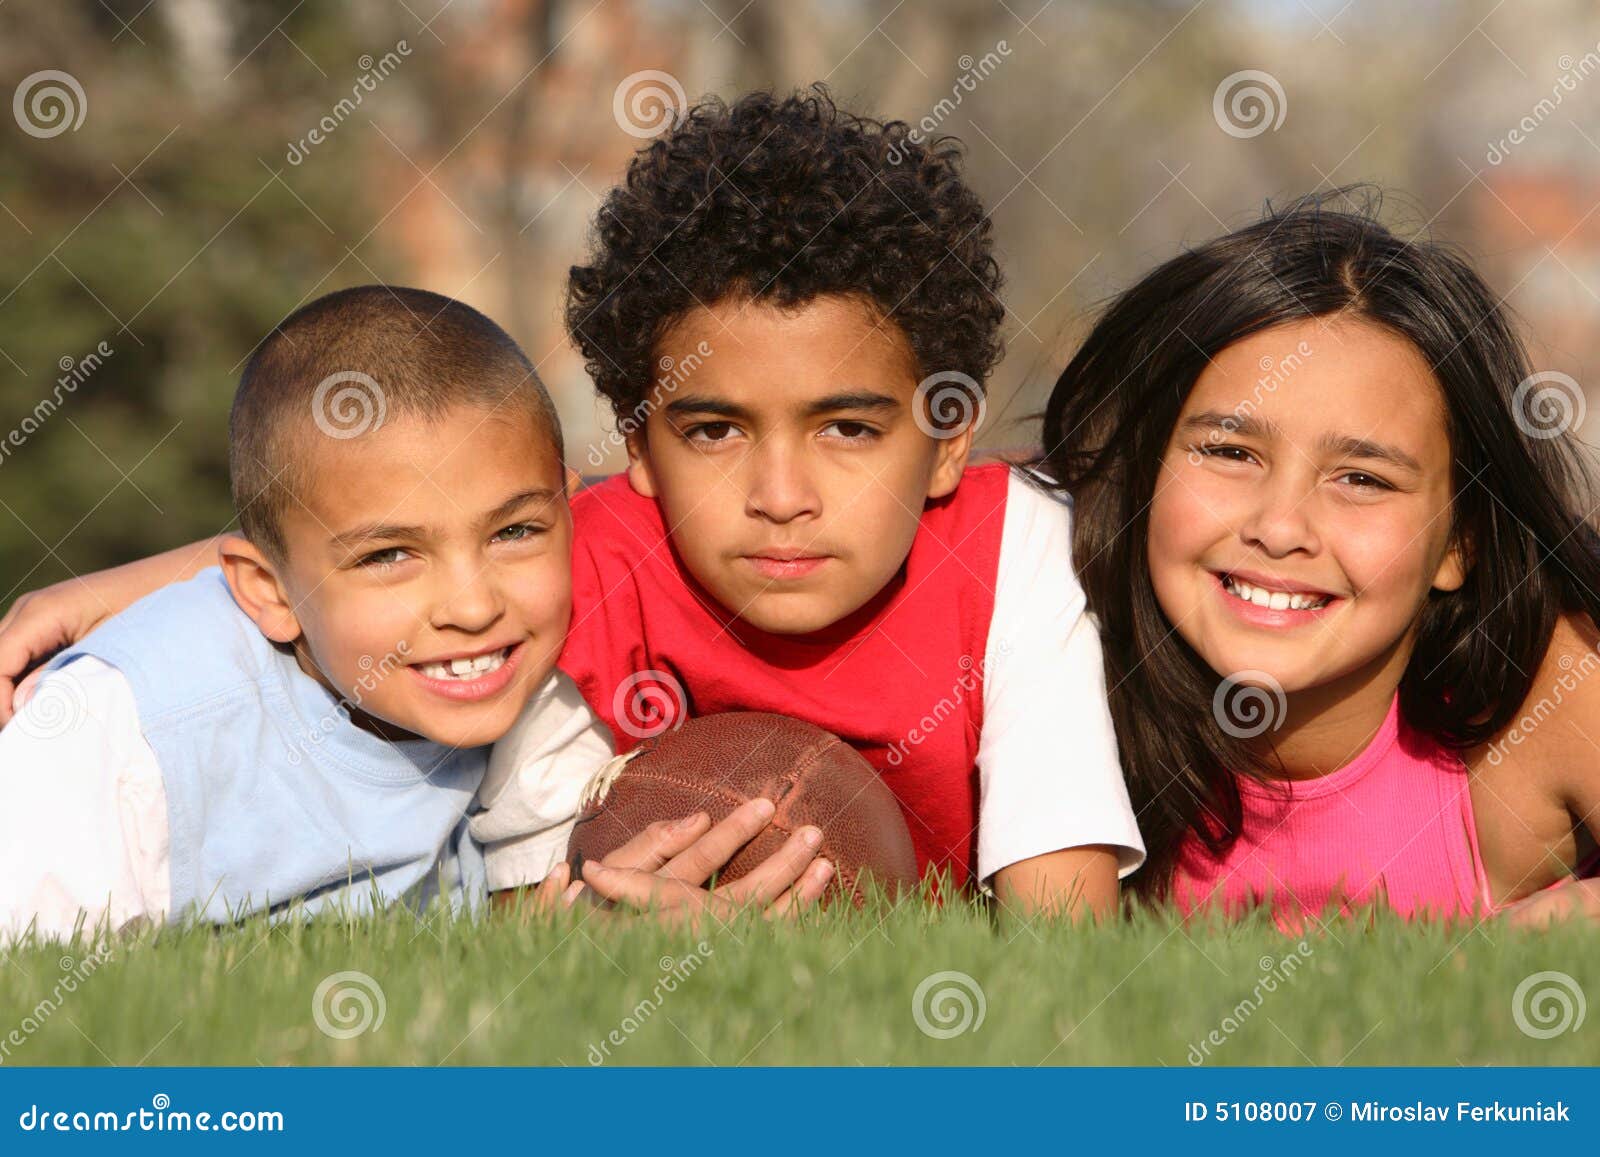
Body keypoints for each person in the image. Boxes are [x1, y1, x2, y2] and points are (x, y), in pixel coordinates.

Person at [0, 285, 829, 940]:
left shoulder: (530, 682)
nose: (474, 607)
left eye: (514, 531)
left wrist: (568, 942)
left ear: (571, 517)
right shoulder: (126, 731)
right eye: (390, 555)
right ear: (267, 591)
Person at [1040, 193, 1600, 925]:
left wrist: (1528, 935)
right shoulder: (1049, 635)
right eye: (1230, 452)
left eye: (1362, 479)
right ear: (1147, 471)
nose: (1279, 528)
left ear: (1460, 542)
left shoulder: (1540, 686)